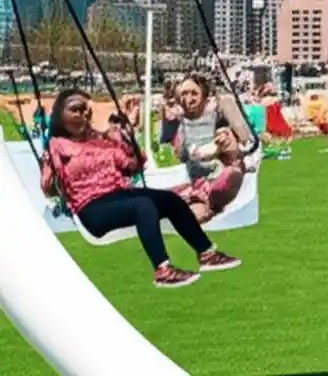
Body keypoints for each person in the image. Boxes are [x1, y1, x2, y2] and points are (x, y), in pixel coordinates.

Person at [40, 88, 239, 288]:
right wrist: (55, 183)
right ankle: (163, 270)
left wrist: (127, 137)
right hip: (91, 207)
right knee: (143, 205)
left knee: (170, 200)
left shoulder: (102, 139)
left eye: (86, 110)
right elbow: (48, 187)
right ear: (61, 116)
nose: (84, 115)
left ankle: (207, 253)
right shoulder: (57, 146)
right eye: (76, 110)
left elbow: (131, 167)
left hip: (119, 195)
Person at [164, 74, 256, 223]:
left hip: (222, 167)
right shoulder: (181, 122)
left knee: (227, 176)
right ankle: (203, 207)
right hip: (198, 180)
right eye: (184, 94)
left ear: (204, 96)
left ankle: (216, 195)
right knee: (190, 212)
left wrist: (227, 143)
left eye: (194, 93)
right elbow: (180, 155)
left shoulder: (219, 110)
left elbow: (245, 139)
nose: (189, 99)